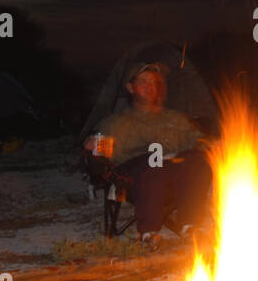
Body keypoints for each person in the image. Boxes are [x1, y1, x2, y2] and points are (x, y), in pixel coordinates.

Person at [84, 62, 211, 241]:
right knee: (154, 162)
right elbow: (98, 150)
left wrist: (208, 145)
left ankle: (190, 225)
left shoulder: (174, 118)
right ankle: (149, 232)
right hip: (133, 179)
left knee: (197, 160)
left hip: (170, 174)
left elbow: (197, 139)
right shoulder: (117, 122)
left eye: (153, 82)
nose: (149, 87)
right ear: (131, 88)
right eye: (143, 82)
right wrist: (92, 148)